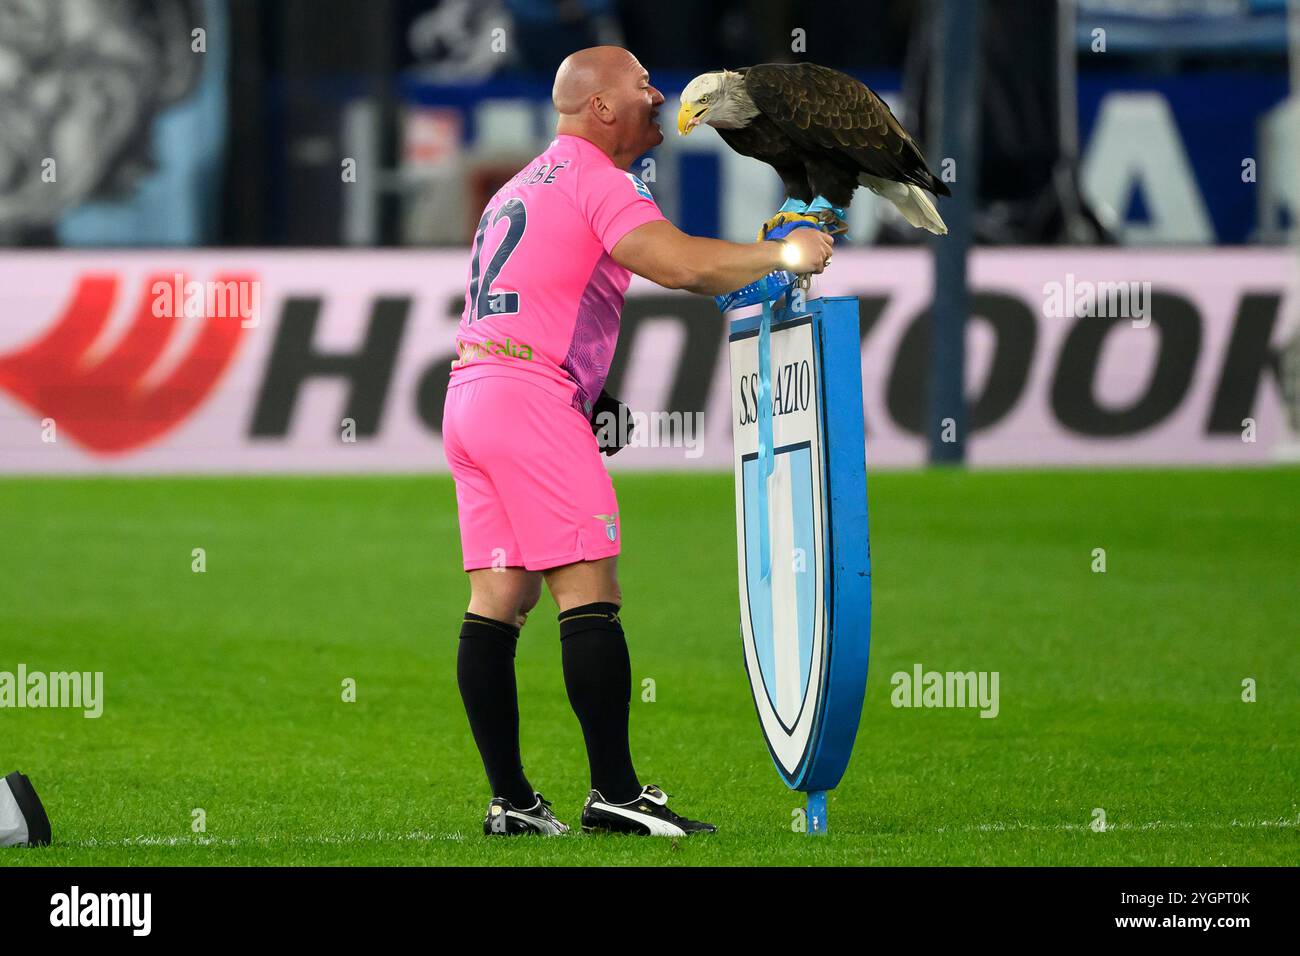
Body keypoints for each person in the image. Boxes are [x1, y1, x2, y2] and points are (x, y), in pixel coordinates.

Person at [442, 45, 833, 837]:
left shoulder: (521, 184)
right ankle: (615, 794)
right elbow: (682, 267)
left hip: (474, 391)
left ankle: (513, 802)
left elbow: (548, 289)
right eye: (642, 85)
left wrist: (597, 391)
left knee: (498, 599)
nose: (659, 95)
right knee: (589, 590)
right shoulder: (597, 177)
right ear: (600, 108)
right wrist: (790, 252)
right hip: (530, 398)